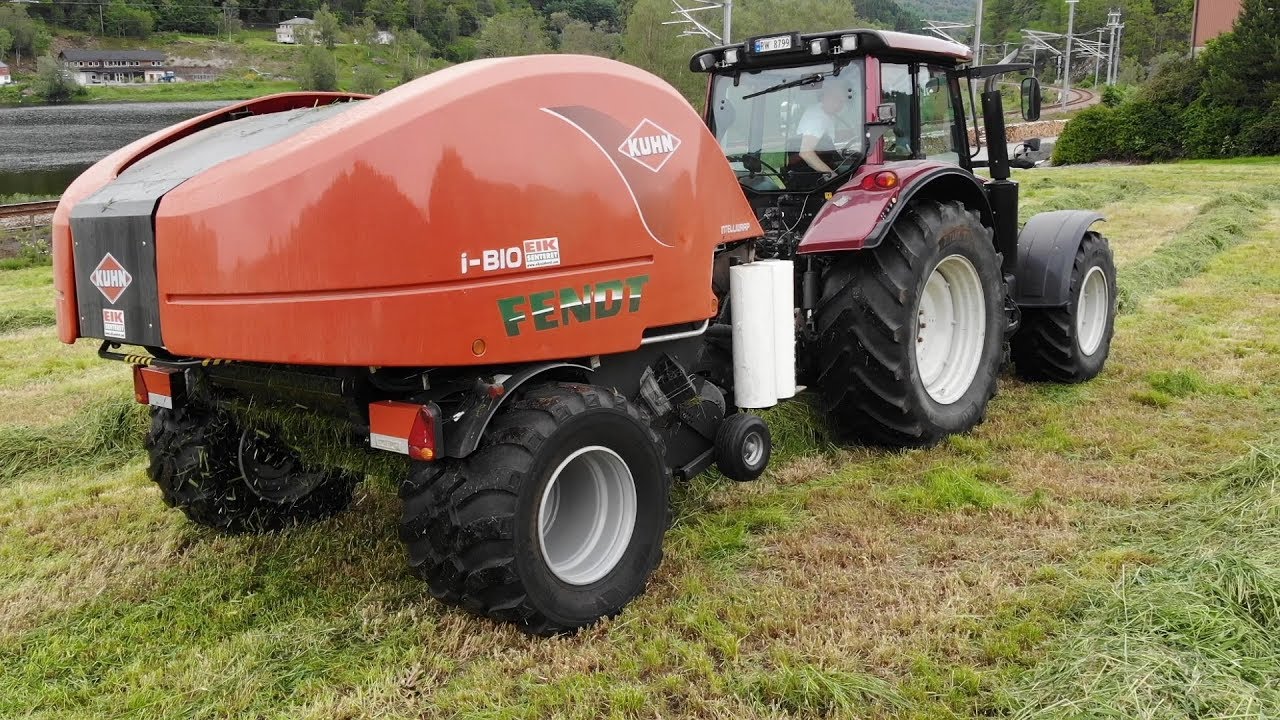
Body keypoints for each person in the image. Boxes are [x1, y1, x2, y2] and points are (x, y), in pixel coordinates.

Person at [795, 80, 851, 176]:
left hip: (825, 161)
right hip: (812, 175)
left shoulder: (826, 112)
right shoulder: (817, 118)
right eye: (835, 99)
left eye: (842, 101)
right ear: (825, 96)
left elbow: (825, 139)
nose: (839, 105)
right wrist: (832, 176)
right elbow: (806, 153)